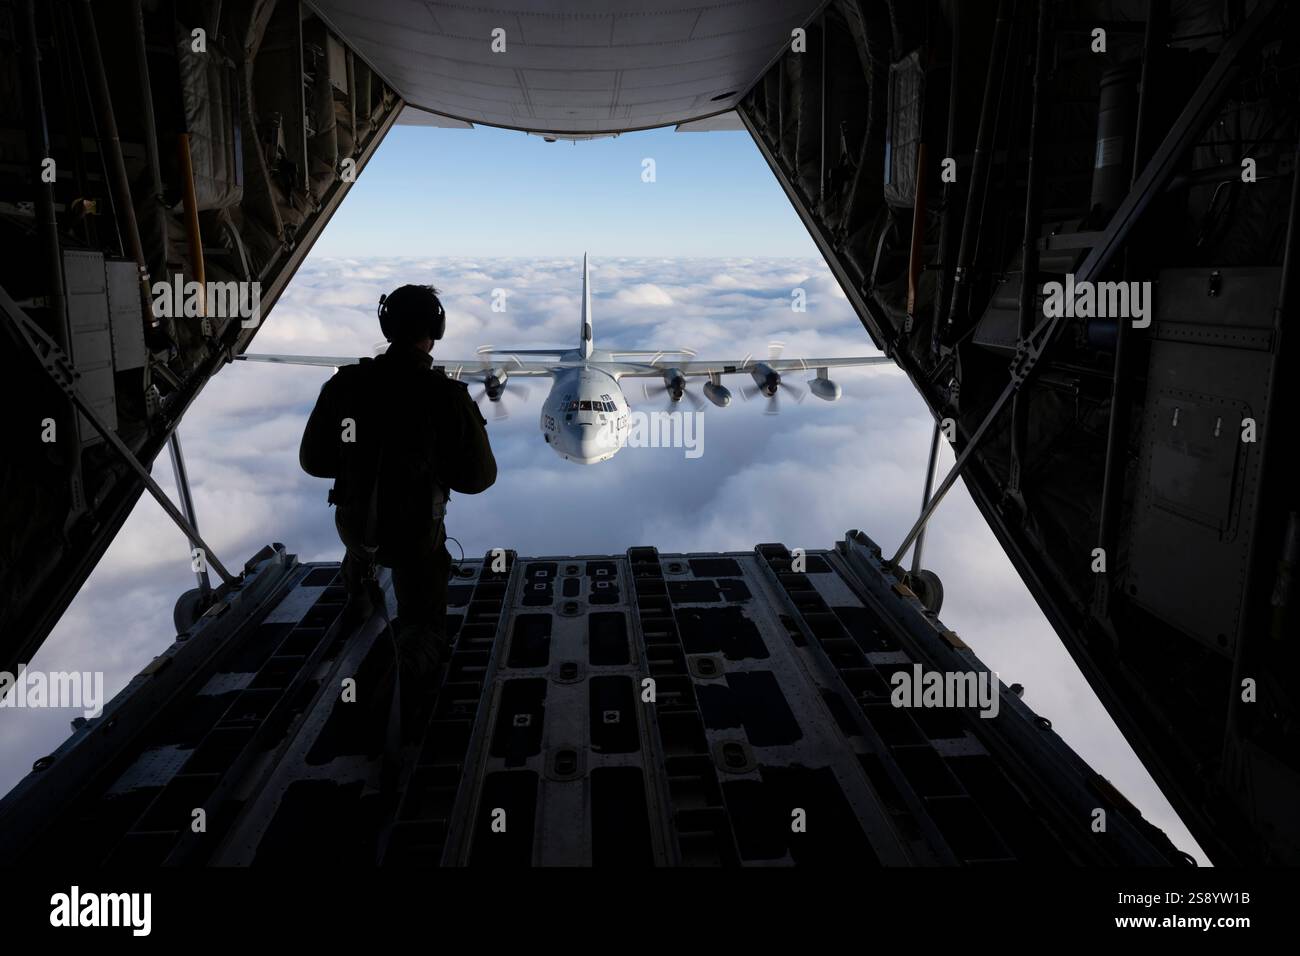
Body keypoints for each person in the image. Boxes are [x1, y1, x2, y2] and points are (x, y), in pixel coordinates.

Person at [298, 284, 496, 682]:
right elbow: (479, 479)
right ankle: (401, 680)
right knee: (423, 618)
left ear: (386, 325)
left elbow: (313, 461)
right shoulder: (446, 395)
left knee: (362, 544)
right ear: (435, 330)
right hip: (415, 536)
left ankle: (359, 597)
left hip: (355, 529)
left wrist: (361, 465)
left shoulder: (345, 384)